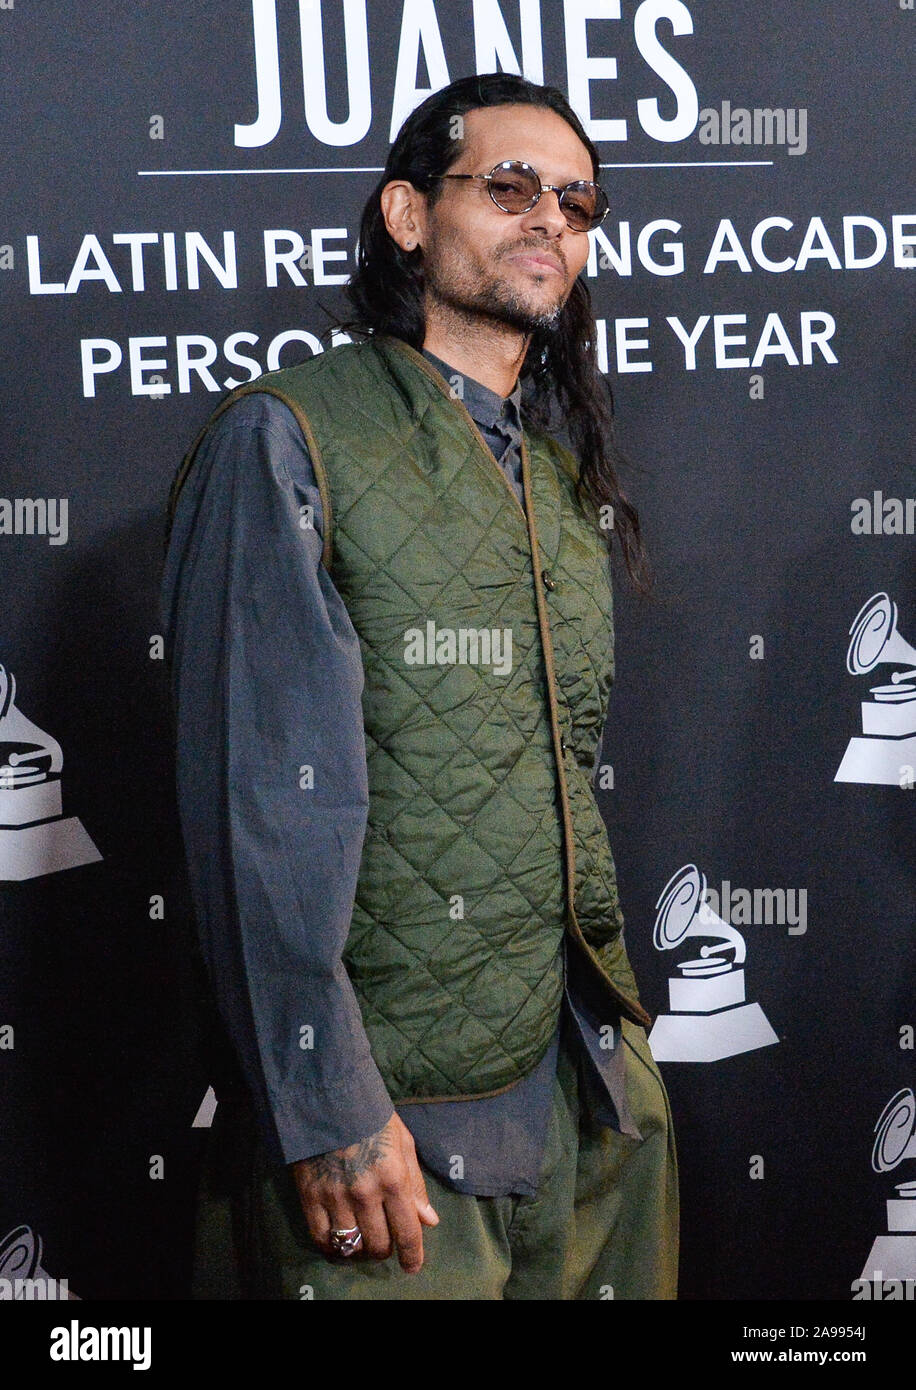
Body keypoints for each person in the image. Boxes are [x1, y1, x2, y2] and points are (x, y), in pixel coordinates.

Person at [161, 71, 678, 1301]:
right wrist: (326, 1105)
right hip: (390, 1139)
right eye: (508, 187)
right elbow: (259, 811)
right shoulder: (290, 438)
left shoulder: (554, 478)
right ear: (407, 215)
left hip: (579, 1101)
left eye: (577, 199)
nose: (550, 217)